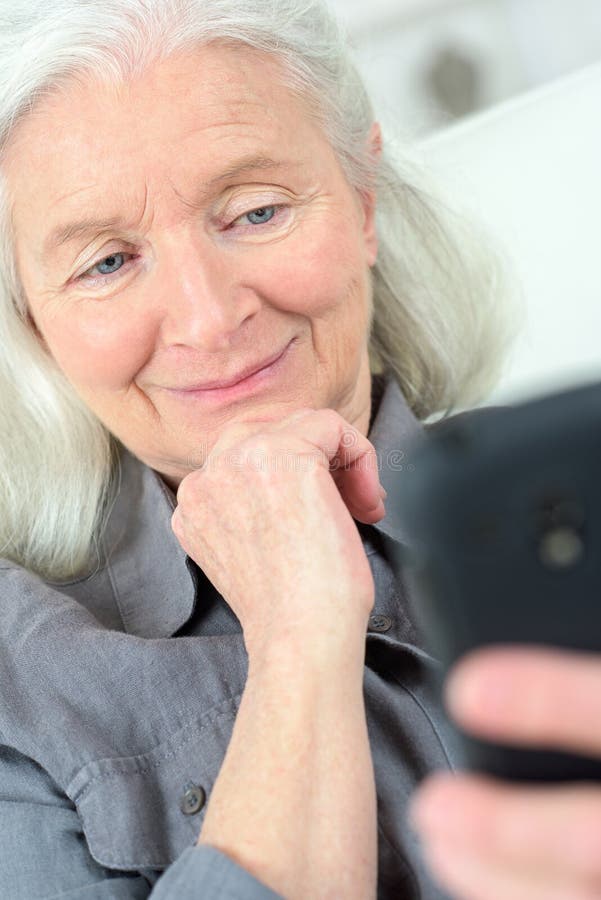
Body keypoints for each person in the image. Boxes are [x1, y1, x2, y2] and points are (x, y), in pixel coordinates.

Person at [2, 0, 573, 898]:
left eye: (257, 211)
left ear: (363, 204)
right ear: (36, 324)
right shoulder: (18, 687)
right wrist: (299, 630)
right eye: (106, 263)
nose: (207, 316)